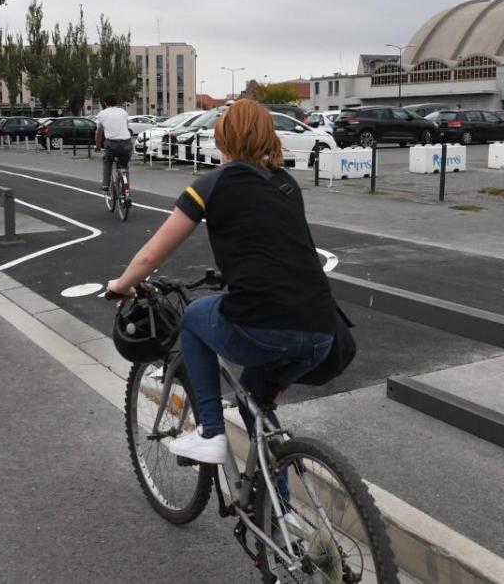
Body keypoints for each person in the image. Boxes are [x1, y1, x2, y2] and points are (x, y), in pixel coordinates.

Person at [107, 99, 335, 465]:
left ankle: (210, 431)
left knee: (196, 316)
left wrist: (122, 284)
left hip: (266, 324)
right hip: (322, 329)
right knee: (254, 402)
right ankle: (278, 513)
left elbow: (152, 255)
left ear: (223, 136)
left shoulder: (212, 184)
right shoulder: (286, 184)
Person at [94, 95, 133, 192]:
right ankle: (126, 189)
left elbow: (98, 132)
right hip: (127, 143)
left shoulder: (102, 114)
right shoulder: (123, 112)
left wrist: (98, 146)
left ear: (105, 103)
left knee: (107, 161)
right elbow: (126, 127)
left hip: (112, 144)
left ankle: (105, 185)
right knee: (124, 166)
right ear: (116, 103)